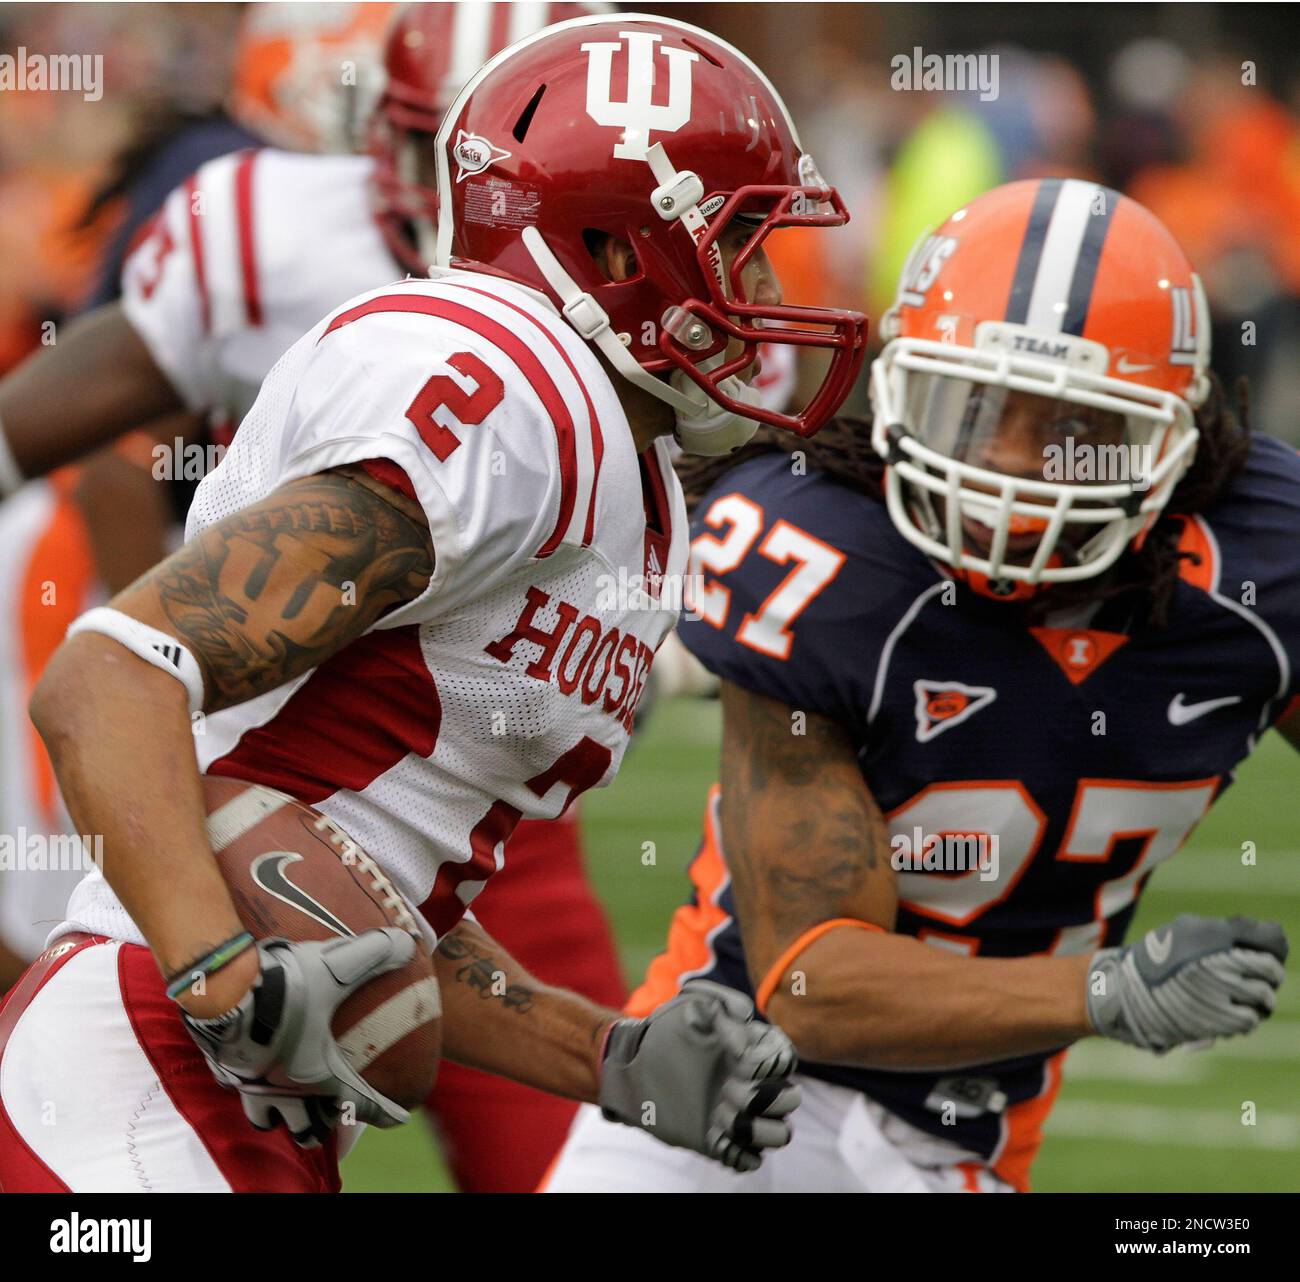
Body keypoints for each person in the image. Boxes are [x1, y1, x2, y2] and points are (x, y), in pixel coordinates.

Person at [0, 11, 867, 1193]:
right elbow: (109, 677)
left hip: (226, 1097)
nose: (769, 289)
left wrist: (607, 1055)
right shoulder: (516, 400)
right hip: (143, 1069)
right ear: (618, 252)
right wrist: (220, 978)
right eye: (742, 245)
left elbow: (368, 903)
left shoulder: (620, 463)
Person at [544, 178, 1291, 1193]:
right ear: (902, 390)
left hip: (956, 1143)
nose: (1013, 473)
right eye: (975, 410)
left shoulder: (1262, 561)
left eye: (1072, 427)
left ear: (1172, 440)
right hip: (705, 1087)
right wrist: (1108, 989)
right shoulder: (819, 549)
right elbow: (809, 979)